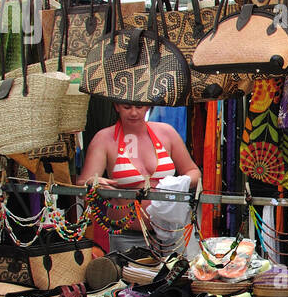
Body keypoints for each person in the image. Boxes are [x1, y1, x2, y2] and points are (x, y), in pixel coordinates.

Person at [78, 101, 201, 254]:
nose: (134, 113)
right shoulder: (104, 139)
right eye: (127, 107)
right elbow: (82, 185)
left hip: (171, 233)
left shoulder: (166, 132)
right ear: (116, 106)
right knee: (130, 277)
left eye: (139, 107)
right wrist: (93, 183)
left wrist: (179, 182)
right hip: (127, 235)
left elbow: (193, 171)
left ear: (148, 106)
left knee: (174, 276)